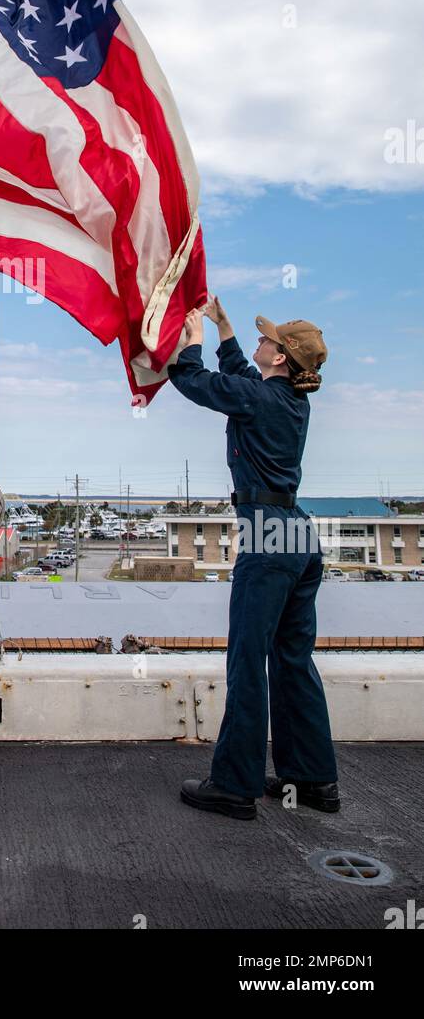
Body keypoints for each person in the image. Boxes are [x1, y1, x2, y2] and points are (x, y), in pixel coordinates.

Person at [166, 295, 338, 821]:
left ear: (281, 358)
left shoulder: (259, 399)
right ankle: (311, 780)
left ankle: (234, 786)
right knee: (292, 660)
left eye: (268, 340)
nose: (260, 343)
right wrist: (226, 330)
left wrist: (191, 340)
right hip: (298, 537)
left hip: (266, 538)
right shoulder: (289, 400)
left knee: (247, 660)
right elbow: (242, 374)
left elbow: (192, 381)